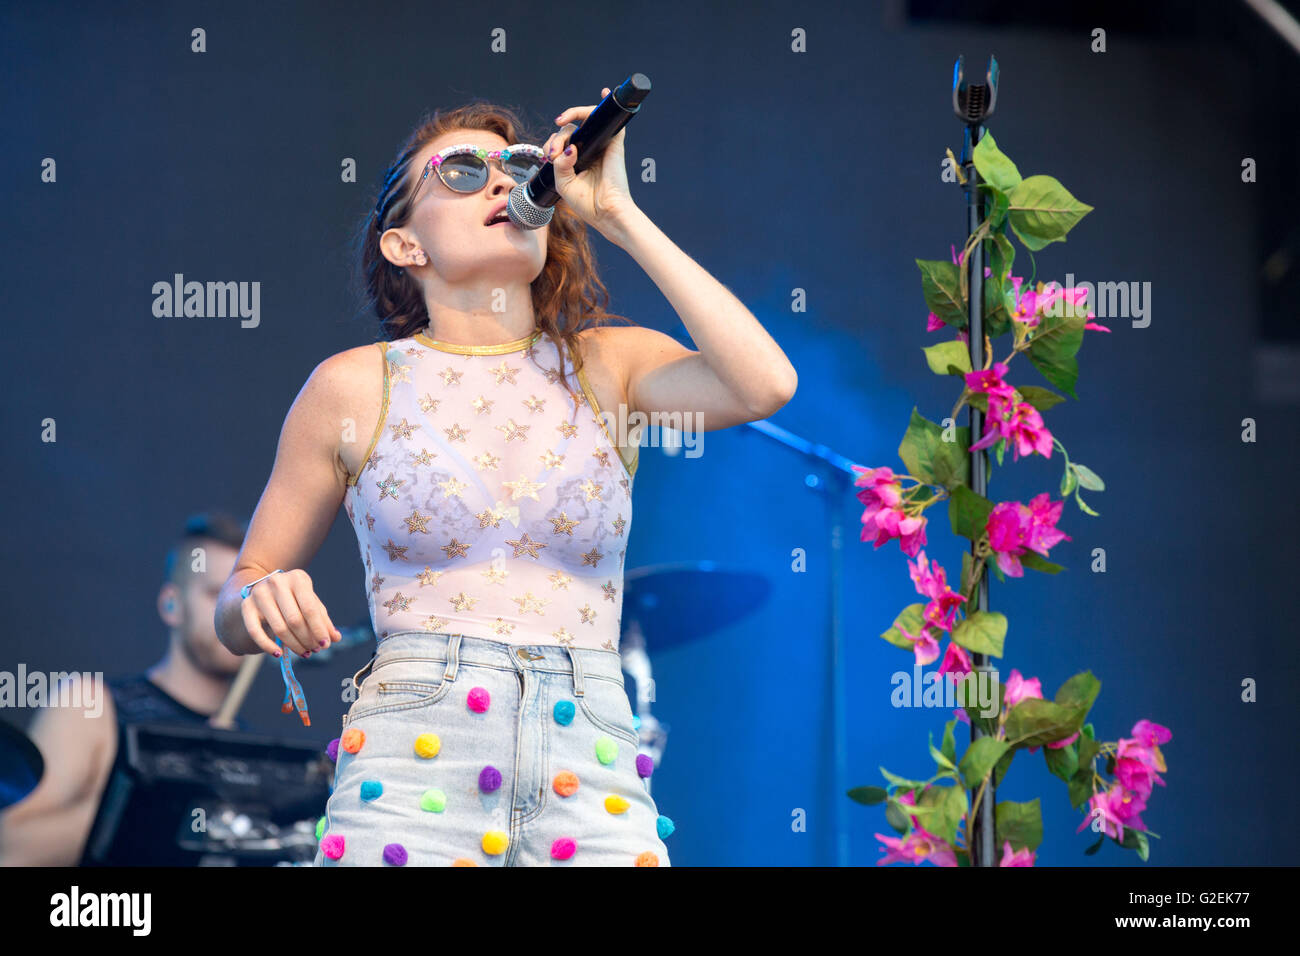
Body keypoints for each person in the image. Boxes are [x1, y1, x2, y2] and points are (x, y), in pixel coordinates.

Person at [214, 91, 798, 867]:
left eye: (516, 167)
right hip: (417, 751)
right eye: (459, 171)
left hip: (590, 760)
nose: (499, 182)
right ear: (404, 246)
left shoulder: (608, 364)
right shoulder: (353, 385)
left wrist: (618, 213)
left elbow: (765, 385)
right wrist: (257, 596)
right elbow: (240, 593)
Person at [0, 512, 251, 866]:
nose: (236, 610)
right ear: (171, 604)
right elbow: (14, 851)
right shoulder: (92, 706)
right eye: (216, 593)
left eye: (246, 595)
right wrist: (156, 802)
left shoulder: (245, 750)